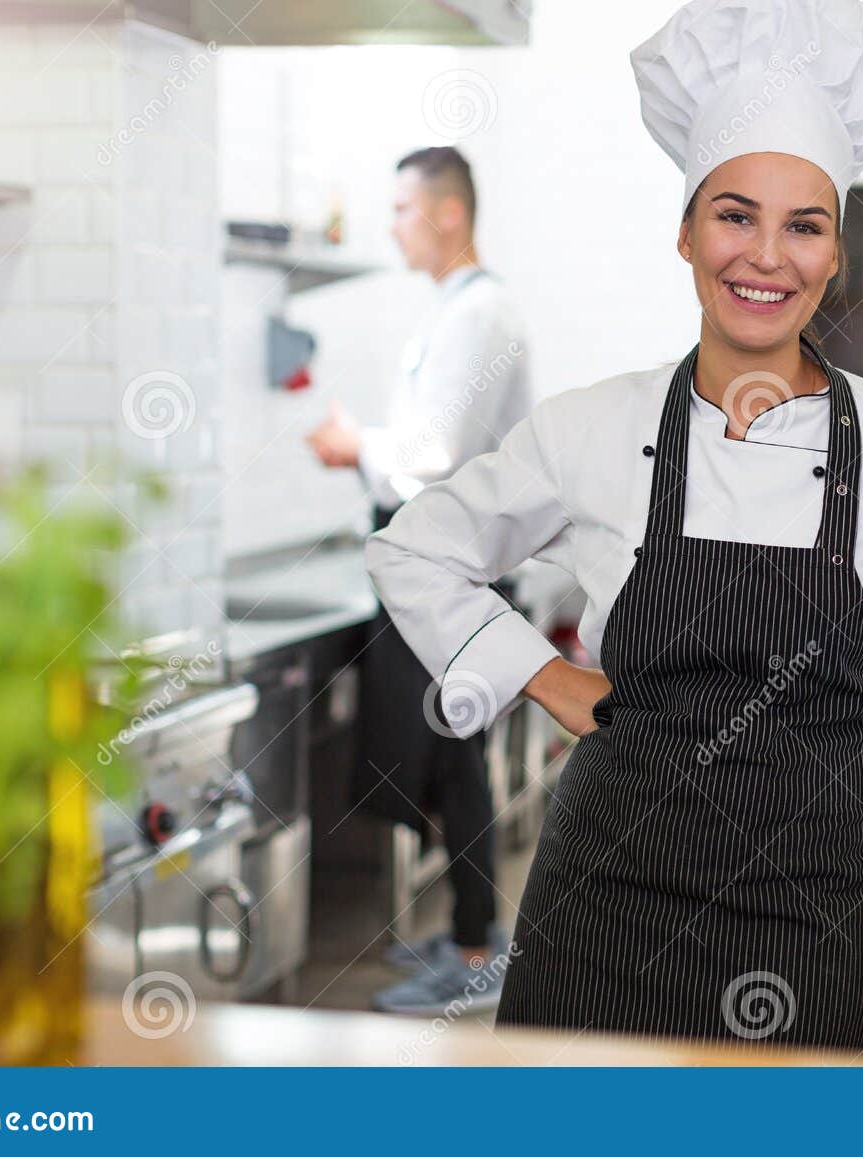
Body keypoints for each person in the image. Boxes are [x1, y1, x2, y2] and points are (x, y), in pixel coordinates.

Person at [364, 0, 863, 1049]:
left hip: (812, 924)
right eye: (735, 215)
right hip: (600, 913)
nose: (766, 256)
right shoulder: (593, 427)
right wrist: (544, 676)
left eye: (804, 225)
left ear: (834, 253)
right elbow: (416, 546)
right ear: (686, 231)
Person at [308, 145, 530, 1015]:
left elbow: (434, 452)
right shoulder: (454, 311)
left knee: (453, 757)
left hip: (455, 576)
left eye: (402, 209)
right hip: (436, 573)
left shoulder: (480, 314)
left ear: (448, 212)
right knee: (442, 756)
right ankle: (470, 934)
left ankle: (476, 949)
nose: (393, 225)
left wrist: (353, 444)